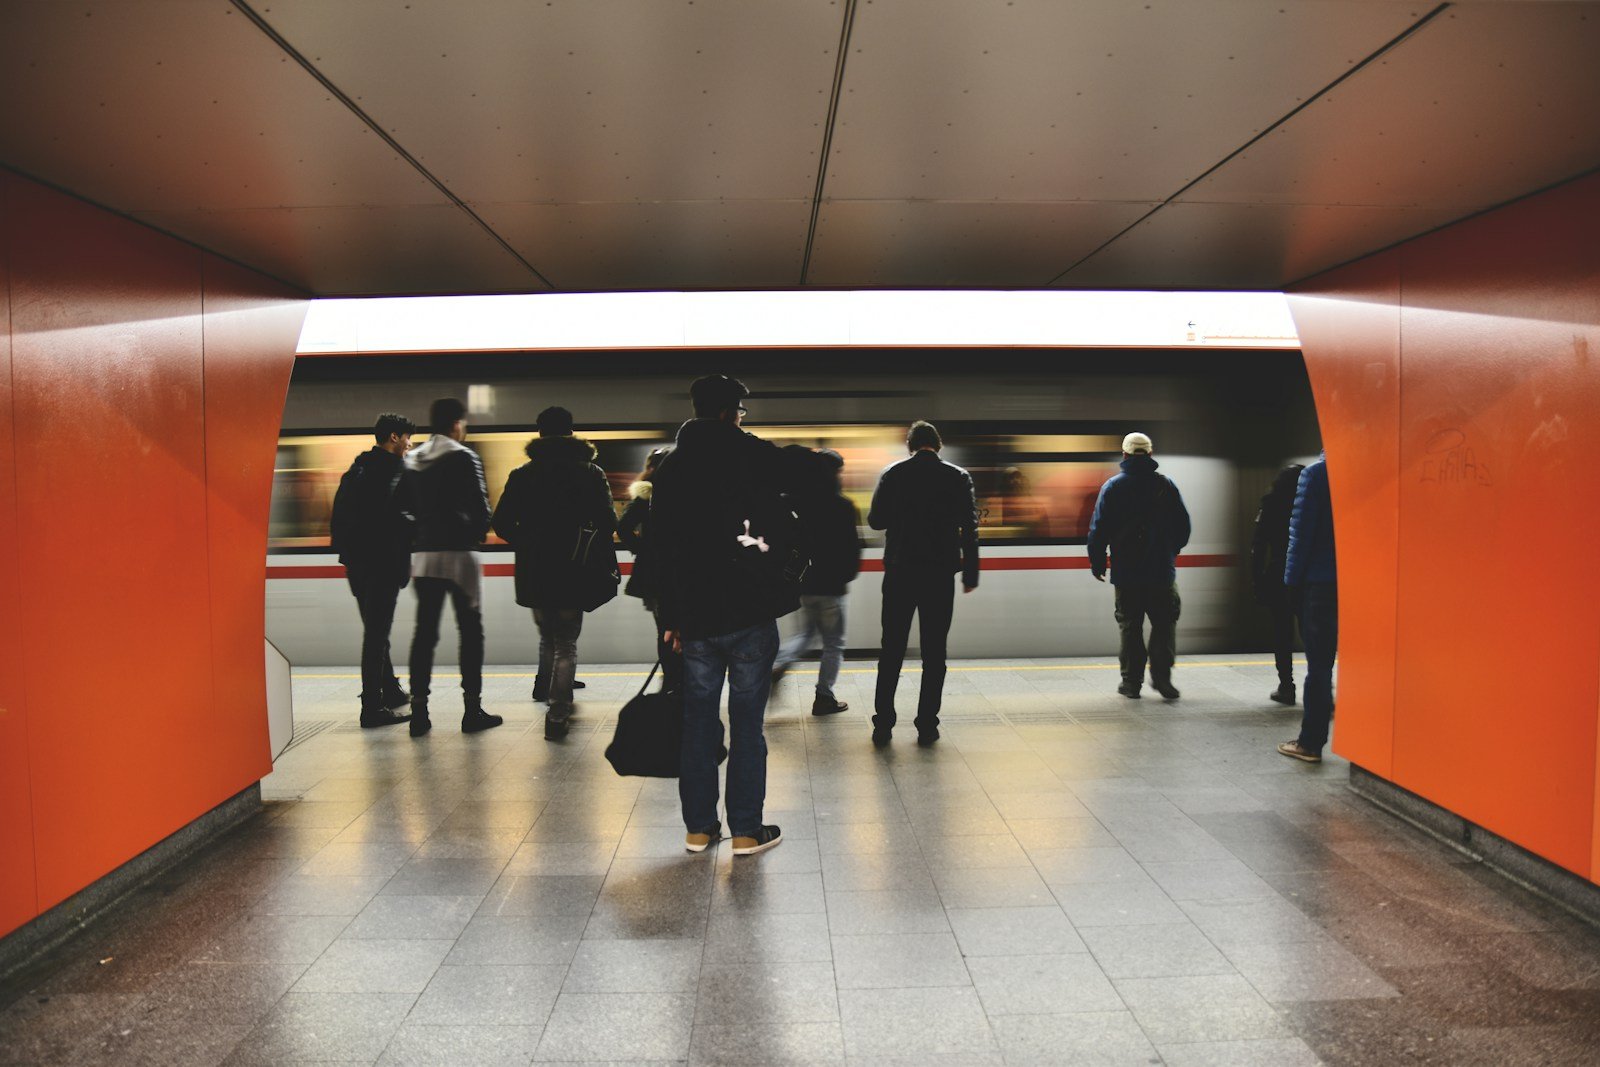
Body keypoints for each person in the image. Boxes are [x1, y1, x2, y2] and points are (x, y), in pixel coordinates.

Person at [651, 374, 795, 856]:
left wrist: (670, 616)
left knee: (698, 723)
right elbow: (796, 493)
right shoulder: (750, 454)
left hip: (694, 618)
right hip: (751, 611)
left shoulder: (672, 467)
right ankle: (747, 832)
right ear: (730, 413)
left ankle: (698, 829)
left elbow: (661, 548)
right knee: (748, 725)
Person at [491, 406, 617, 741]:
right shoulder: (591, 472)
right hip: (574, 569)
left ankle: (546, 690)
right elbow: (608, 522)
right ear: (571, 432)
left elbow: (501, 523)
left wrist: (528, 542)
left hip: (536, 570)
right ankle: (558, 713)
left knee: (548, 637)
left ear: (540, 433)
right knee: (566, 642)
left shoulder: (523, 474)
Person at [868, 420, 980, 748]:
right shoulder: (958, 477)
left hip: (900, 573)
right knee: (934, 652)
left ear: (910, 445)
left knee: (892, 649)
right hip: (939, 576)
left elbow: (876, 521)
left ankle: (883, 724)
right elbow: (970, 528)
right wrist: (970, 574)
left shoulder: (893, 474)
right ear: (938, 445)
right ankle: (927, 725)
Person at [406, 397, 502, 737]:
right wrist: (475, 535)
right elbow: (481, 507)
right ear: (457, 424)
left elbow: (402, 507)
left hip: (425, 557)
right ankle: (472, 710)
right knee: (470, 632)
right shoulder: (464, 456)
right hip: (460, 556)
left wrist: (420, 537)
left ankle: (419, 713)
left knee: (424, 634)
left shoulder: (412, 459)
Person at [1086, 431, 1192, 700]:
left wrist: (1098, 563)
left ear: (1124, 454)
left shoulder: (1112, 487)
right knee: (1164, 624)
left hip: (1127, 573)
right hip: (1161, 572)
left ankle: (1131, 683)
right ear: (1150, 454)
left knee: (1130, 627)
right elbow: (1183, 527)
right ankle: (1163, 680)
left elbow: (1098, 530)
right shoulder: (1166, 485)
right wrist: (1169, 552)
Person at [329, 412, 418, 729]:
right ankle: (372, 707)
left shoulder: (356, 470)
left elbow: (338, 521)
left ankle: (390, 690)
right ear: (394, 437)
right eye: (407, 438)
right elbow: (404, 518)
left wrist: (351, 556)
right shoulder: (395, 471)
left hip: (357, 565)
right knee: (377, 636)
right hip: (383, 563)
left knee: (375, 630)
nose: (409, 444)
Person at [771, 448, 862, 716]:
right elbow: (853, 549)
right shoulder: (843, 505)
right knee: (833, 643)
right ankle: (824, 696)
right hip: (833, 588)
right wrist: (846, 576)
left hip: (806, 585)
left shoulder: (799, 502)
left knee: (804, 634)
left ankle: (778, 664)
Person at [1278, 455, 1338, 763]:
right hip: (1365, 585)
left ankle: (1310, 743)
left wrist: (1291, 584)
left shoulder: (1316, 474)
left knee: (1320, 666)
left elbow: (1300, 535)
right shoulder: (1368, 471)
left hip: (1321, 586)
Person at [616, 446, 682, 693]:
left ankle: (670, 682)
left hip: (654, 574)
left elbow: (623, 527)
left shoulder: (646, 496)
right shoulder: (685, 493)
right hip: (682, 572)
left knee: (664, 629)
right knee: (685, 629)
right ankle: (681, 681)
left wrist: (644, 550)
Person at [1251, 463, 1305, 705]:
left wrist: (1257, 580)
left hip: (1278, 575)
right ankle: (1319, 687)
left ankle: (1286, 686)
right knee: (1311, 633)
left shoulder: (1271, 503)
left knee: (1282, 634)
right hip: (1306, 577)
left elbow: (1258, 546)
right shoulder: (1309, 503)